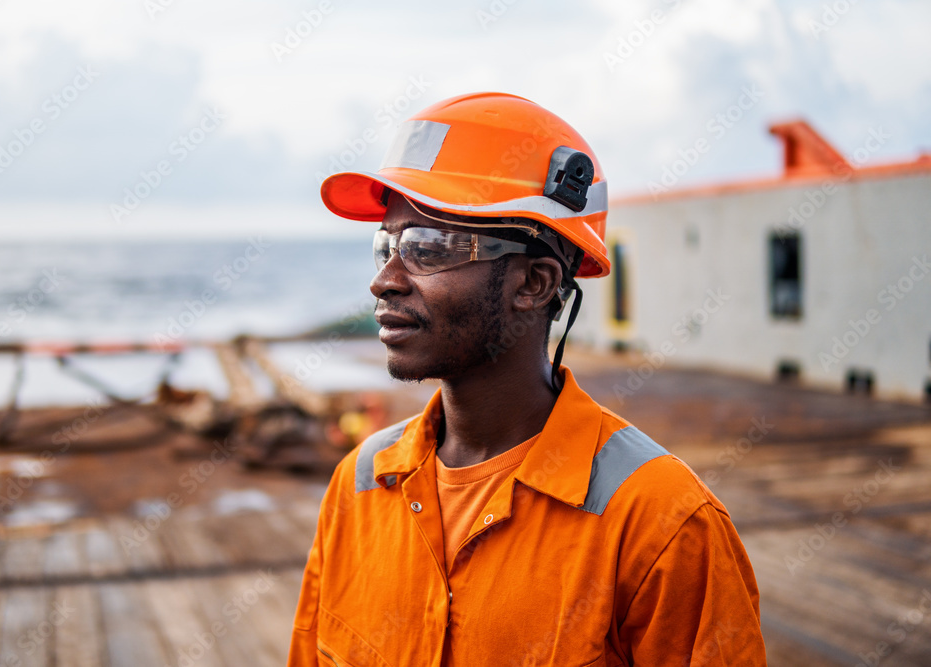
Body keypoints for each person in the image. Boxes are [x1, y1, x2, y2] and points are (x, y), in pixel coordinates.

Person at [288, 92, 767, 666]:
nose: (384, 281)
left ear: (535, 284)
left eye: (425, 248)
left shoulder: (660, 522)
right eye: (385, 246)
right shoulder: (359, 486)